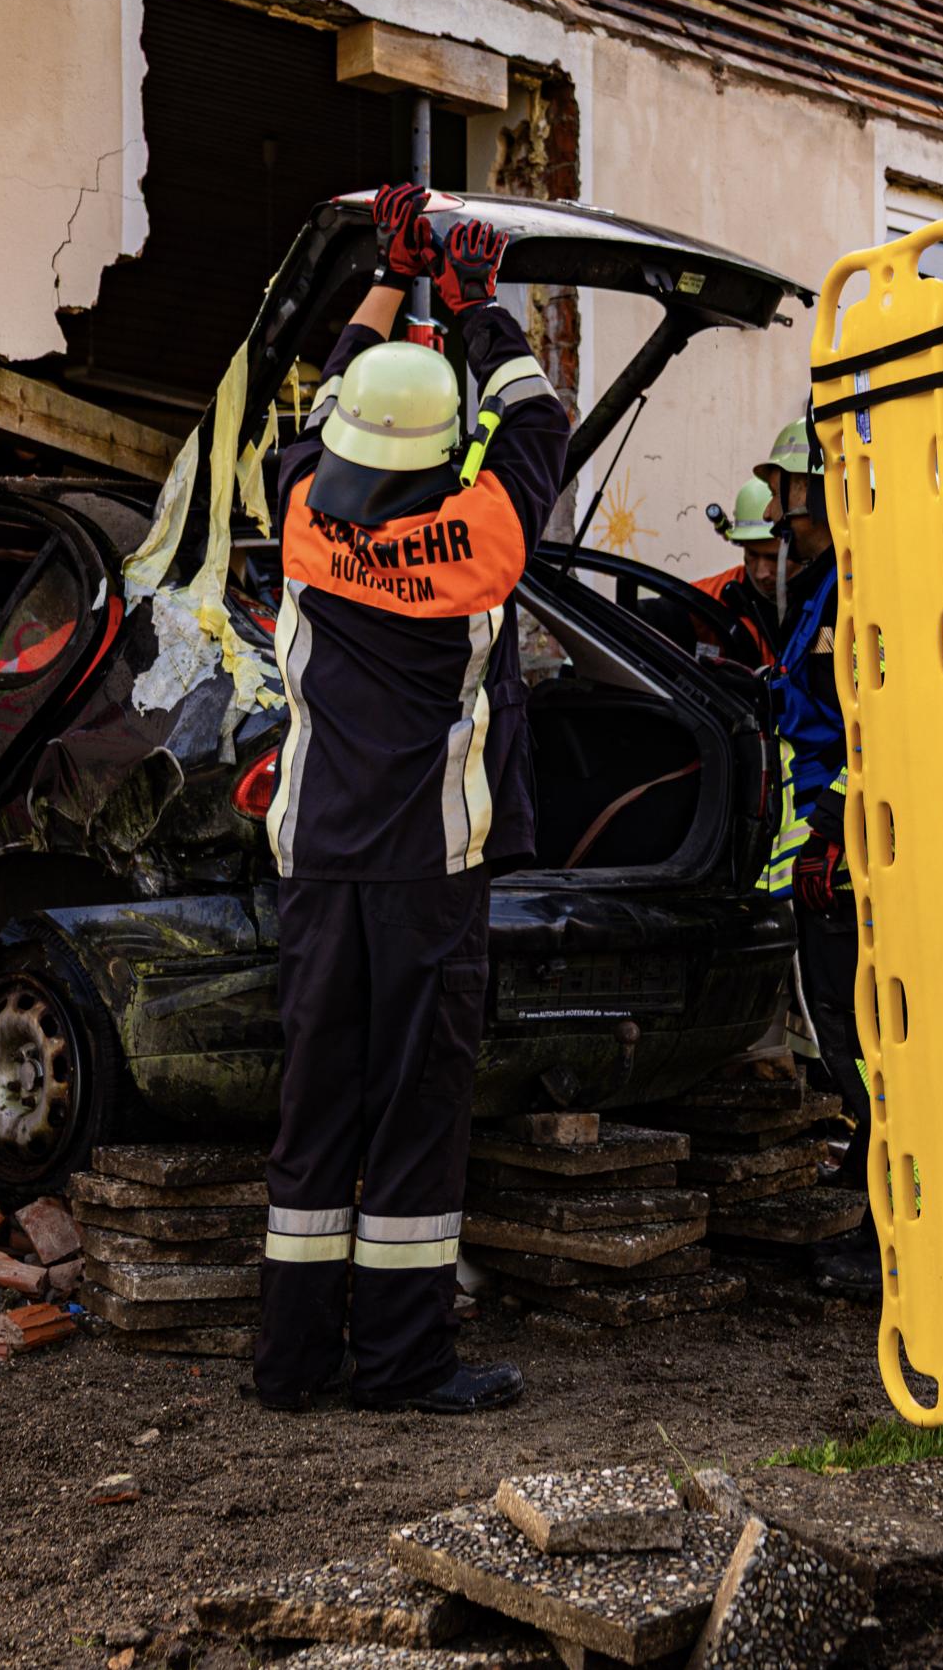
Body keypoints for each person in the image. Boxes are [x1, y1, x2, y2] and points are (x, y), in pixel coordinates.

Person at [255, 183, 568, 1414]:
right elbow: (535, 428)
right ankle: (399, 1362)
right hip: (427, 871)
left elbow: (329, 393)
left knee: (314, 1101)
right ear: (445, 456)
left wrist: (390, 279)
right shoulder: (477, 541)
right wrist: (480, 308)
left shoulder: (299, 515)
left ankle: (291, 1363)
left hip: (318, 859)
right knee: (414, 1109)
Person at [757, 417, 881, 1298]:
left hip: (852, 852)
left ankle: (893, 1238)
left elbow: (875, 725)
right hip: (832, 846)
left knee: (871, 1045)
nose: (776, 515)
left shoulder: (860, 595)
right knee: (851, 1043)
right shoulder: (825, 587)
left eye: (786, 495)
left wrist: (834, 829)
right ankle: (879, 1191)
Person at [688, 475, 786, 671]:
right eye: (752, 554)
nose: (760, 573)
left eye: (773, 558)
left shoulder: (828, 605)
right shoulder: (706, 600)